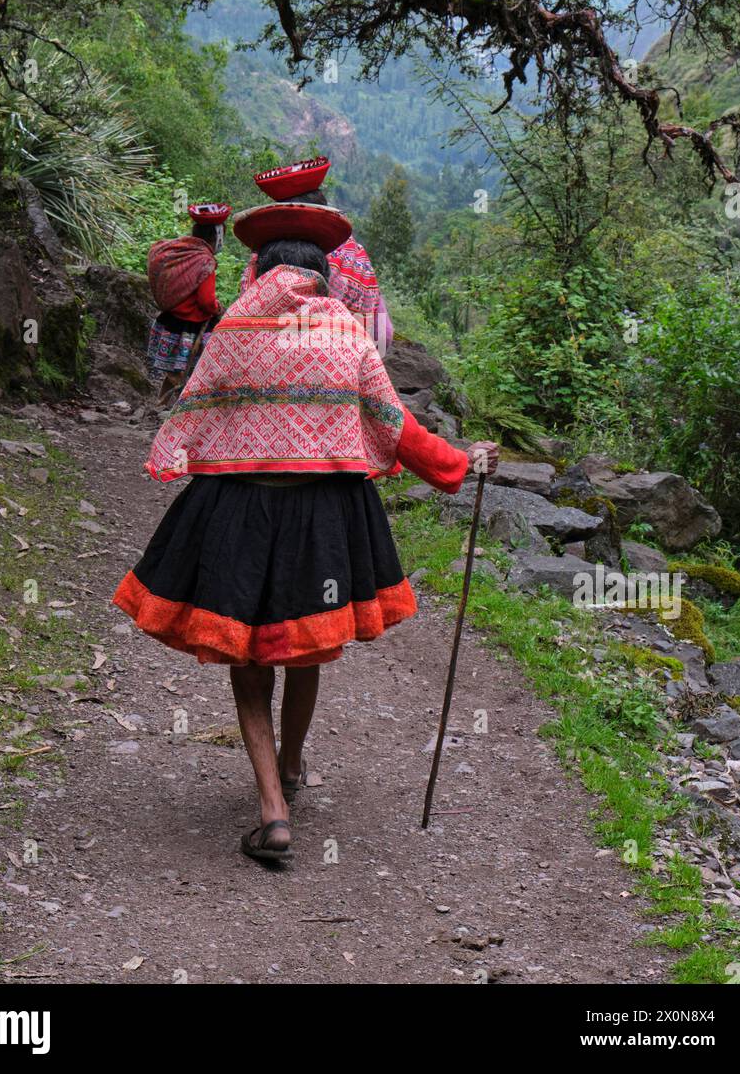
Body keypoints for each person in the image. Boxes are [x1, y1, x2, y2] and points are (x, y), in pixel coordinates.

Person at [113, 194, 498, 865]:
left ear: (259, 266)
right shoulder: (345, 332)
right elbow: (392, 424)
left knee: (247, 655)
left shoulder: (235, 326)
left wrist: (172, 455)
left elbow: (194, 406)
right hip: (325, 515)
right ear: (322, 270)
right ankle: (292, 765)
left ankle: (272, 807)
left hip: (239, 510)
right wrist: (460, 463)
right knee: (308, 644)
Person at [239, 156, 394, 353]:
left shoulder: (262, 257)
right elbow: (383, 335)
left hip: (274, 360)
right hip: (349, 358)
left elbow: (246, 315)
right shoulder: (355, 255)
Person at [145, 203, 231, 405]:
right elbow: (206, 301)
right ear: (216, 237)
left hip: (171, 321)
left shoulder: (180, 250)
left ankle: (163, 403)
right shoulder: (204, 261)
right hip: (192, 326)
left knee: (175, 370)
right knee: (187, 371)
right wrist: (218, 308)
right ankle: (176, 408)